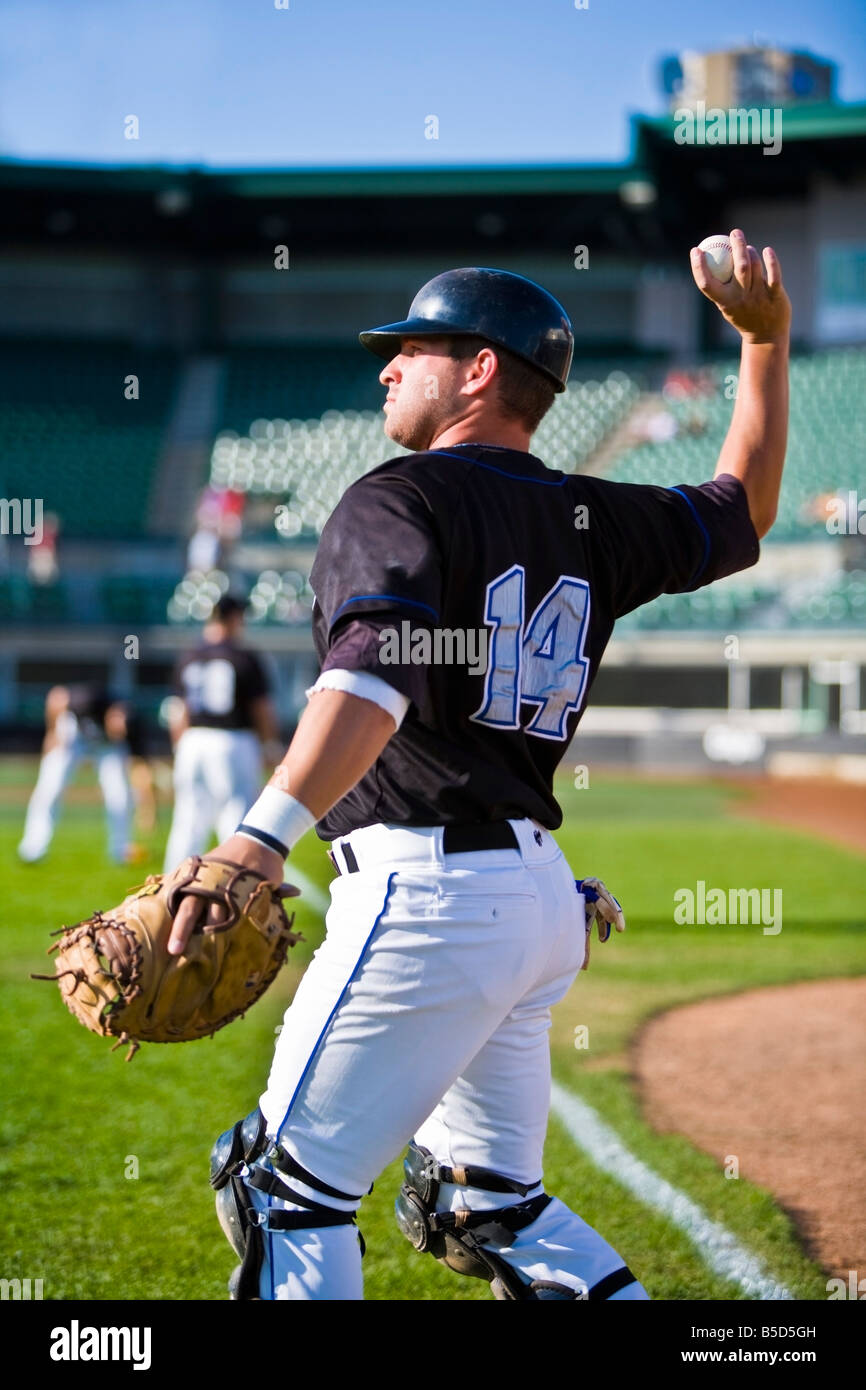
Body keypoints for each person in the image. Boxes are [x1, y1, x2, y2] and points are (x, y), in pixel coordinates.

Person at [168, 238, 791, 1301]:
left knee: (283, 1188)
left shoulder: (396, 497)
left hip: (426, 895)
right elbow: (743, 509)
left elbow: (370, 683)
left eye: (413, 348)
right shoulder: (593, 516)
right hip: (536, 896)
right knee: (489, 1204)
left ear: (481, 369)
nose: (387, 367)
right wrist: (764, 343)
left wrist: (255, 842)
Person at [163, 593, 279, 871]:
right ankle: (235, 879)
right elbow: (261, 708)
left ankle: (174, 884)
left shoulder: (189, 655)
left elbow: (178, 711)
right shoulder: (244, 657)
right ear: (234, 618)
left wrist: (180, 747)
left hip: (192, 741)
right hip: (232, 740)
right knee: (236, 817)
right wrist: (269, 745)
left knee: (188, 821)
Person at [18, 684, 148, 863]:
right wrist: (52, 732)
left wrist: (147, 808)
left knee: (119, 794)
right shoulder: (90, 699)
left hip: (105, 745)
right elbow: (56, 696)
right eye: (116, 728)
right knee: (51, 786)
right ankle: (33, 848)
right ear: (111, 715)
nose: (119, 732)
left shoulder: (131, 728)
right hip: (75, 732)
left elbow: (140, 768)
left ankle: (120, 850)